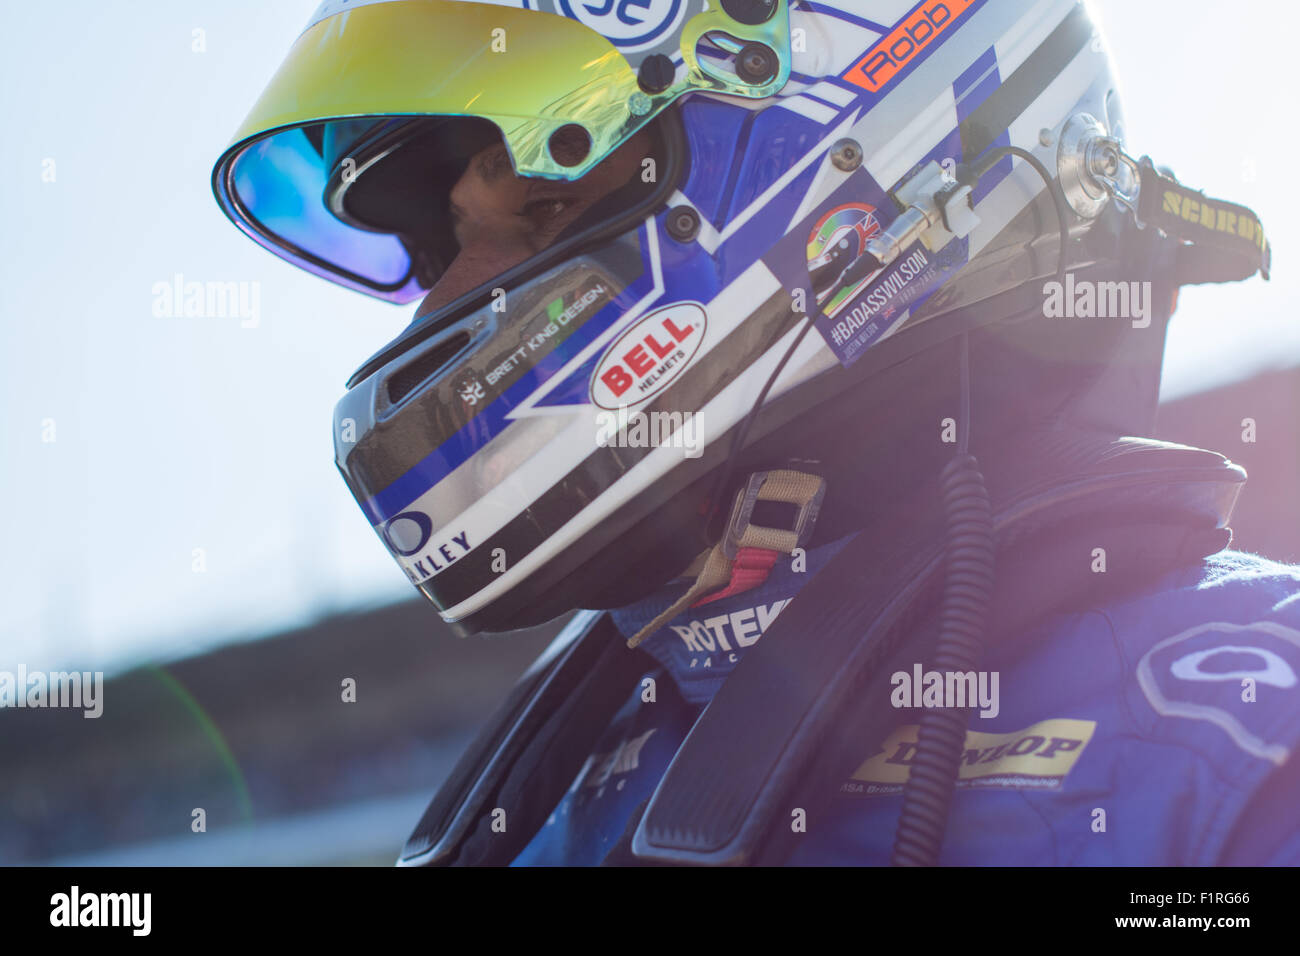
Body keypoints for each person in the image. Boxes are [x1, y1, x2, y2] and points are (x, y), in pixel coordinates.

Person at [212, 0, 1289, 865]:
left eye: (526, 203)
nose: (441, 304)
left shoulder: (1241, 719)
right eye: (442, 245)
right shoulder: (560, 771)